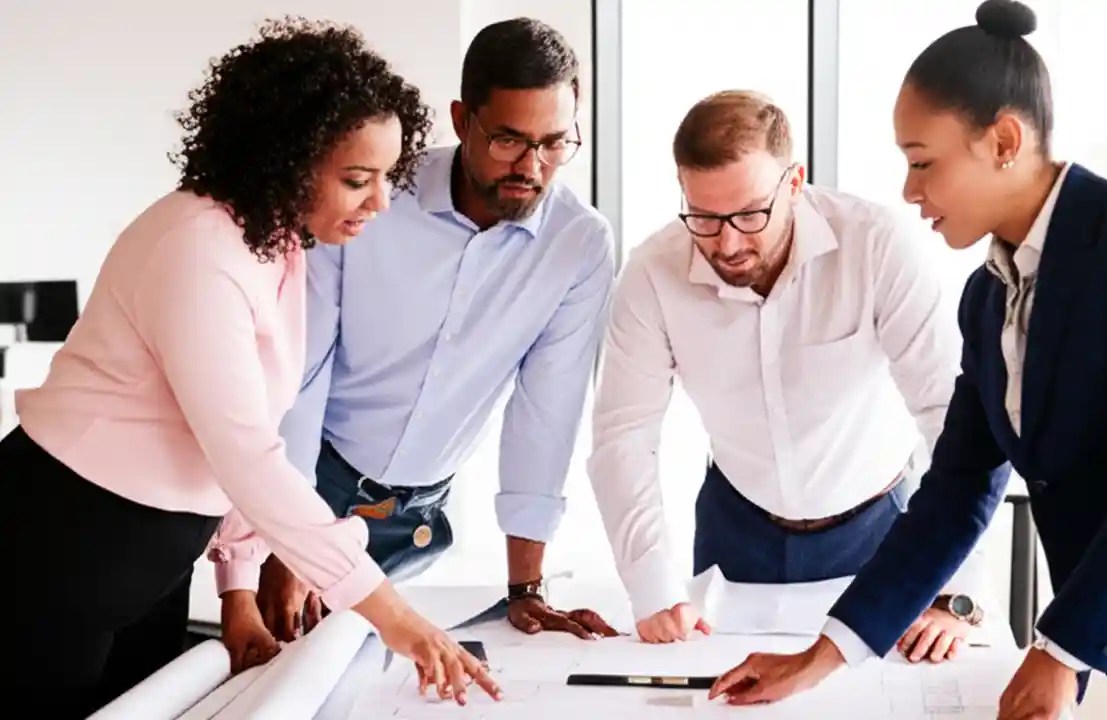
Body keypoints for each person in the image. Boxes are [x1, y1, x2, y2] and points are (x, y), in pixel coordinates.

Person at [708, 1, 1107, 717]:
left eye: (922, 162)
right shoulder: (986, 301)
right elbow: (954, 496)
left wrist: (1059, 650)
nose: (909, 190)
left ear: (1004, 139)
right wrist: (819, 660)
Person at [0, 18, 502, 717]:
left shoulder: (276, 245)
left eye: (388, 176)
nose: (381, 202)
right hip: (57, 547)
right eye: (359, 179)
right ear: (289, 158)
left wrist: (236, 586)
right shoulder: (197, 245)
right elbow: (246, 454)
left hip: (149, 563)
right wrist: (390, 613)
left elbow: (247, 427)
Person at [217, 16, 618, 663]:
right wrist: (288, 540)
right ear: (462, 119)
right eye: (510, 140)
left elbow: (547, 414)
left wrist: (526, 586)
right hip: (310, 485)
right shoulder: (373, 195)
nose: (532, 167)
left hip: (417, 524)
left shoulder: (580, 243)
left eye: (554, 143)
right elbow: (299, 377)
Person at [588, 89, 993, 663]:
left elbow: (950, 416)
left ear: (794, 182)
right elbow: (622, 437)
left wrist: (956, 593)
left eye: (750, 214)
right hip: (736, 527)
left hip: (882, 526)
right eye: (703, 217)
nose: (727, 243)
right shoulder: (652, 273)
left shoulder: (876, 246)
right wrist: (652, 589)